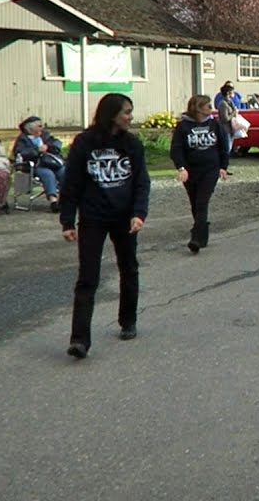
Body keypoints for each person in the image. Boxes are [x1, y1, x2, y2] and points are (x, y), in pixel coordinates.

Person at [61, 93, 151, 359]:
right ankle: (79, 340)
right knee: (87, 277)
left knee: (128, 268)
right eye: (126, 112)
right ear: (111, 114)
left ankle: (128, 320)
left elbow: (141, 182)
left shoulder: (132, 144)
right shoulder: (85, 143)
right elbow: (72, 183)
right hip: (93, 217)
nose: (130, 117)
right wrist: (67, 220)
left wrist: (138, 213)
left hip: (124, 217)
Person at [170, 94, 229, 253]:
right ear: (198, 108)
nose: (211, 108)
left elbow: (223, 146)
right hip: (191, 171)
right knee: (195, 203)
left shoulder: (214, 124)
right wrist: (181, 168)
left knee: (202, 202)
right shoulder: (183, 126)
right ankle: (202, 231)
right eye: (208, 106)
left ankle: (196, 238)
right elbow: (176, 149)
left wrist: (223, 167)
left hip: (210, 170)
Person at [12, 116, 65, 212]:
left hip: (53, 163)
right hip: (37, 165)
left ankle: (66, 199)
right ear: (31, 128)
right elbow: (20, 153)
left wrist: (48, 147)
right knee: (48, 174)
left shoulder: (45, 135)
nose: (42, 128)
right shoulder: (23, 139)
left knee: (64, 172)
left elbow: (57, 143)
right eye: (39, 126)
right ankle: (53, 201)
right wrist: (37, 150)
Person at [215, 84, 238, 160]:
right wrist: (233, 113)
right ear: (228, 93)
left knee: (229, 148)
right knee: (226, 149)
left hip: (231, 128)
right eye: (232, 92)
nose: (233, 94)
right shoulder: (223, 104)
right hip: (225, 129)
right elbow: (225, 118)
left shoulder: (230, 102)